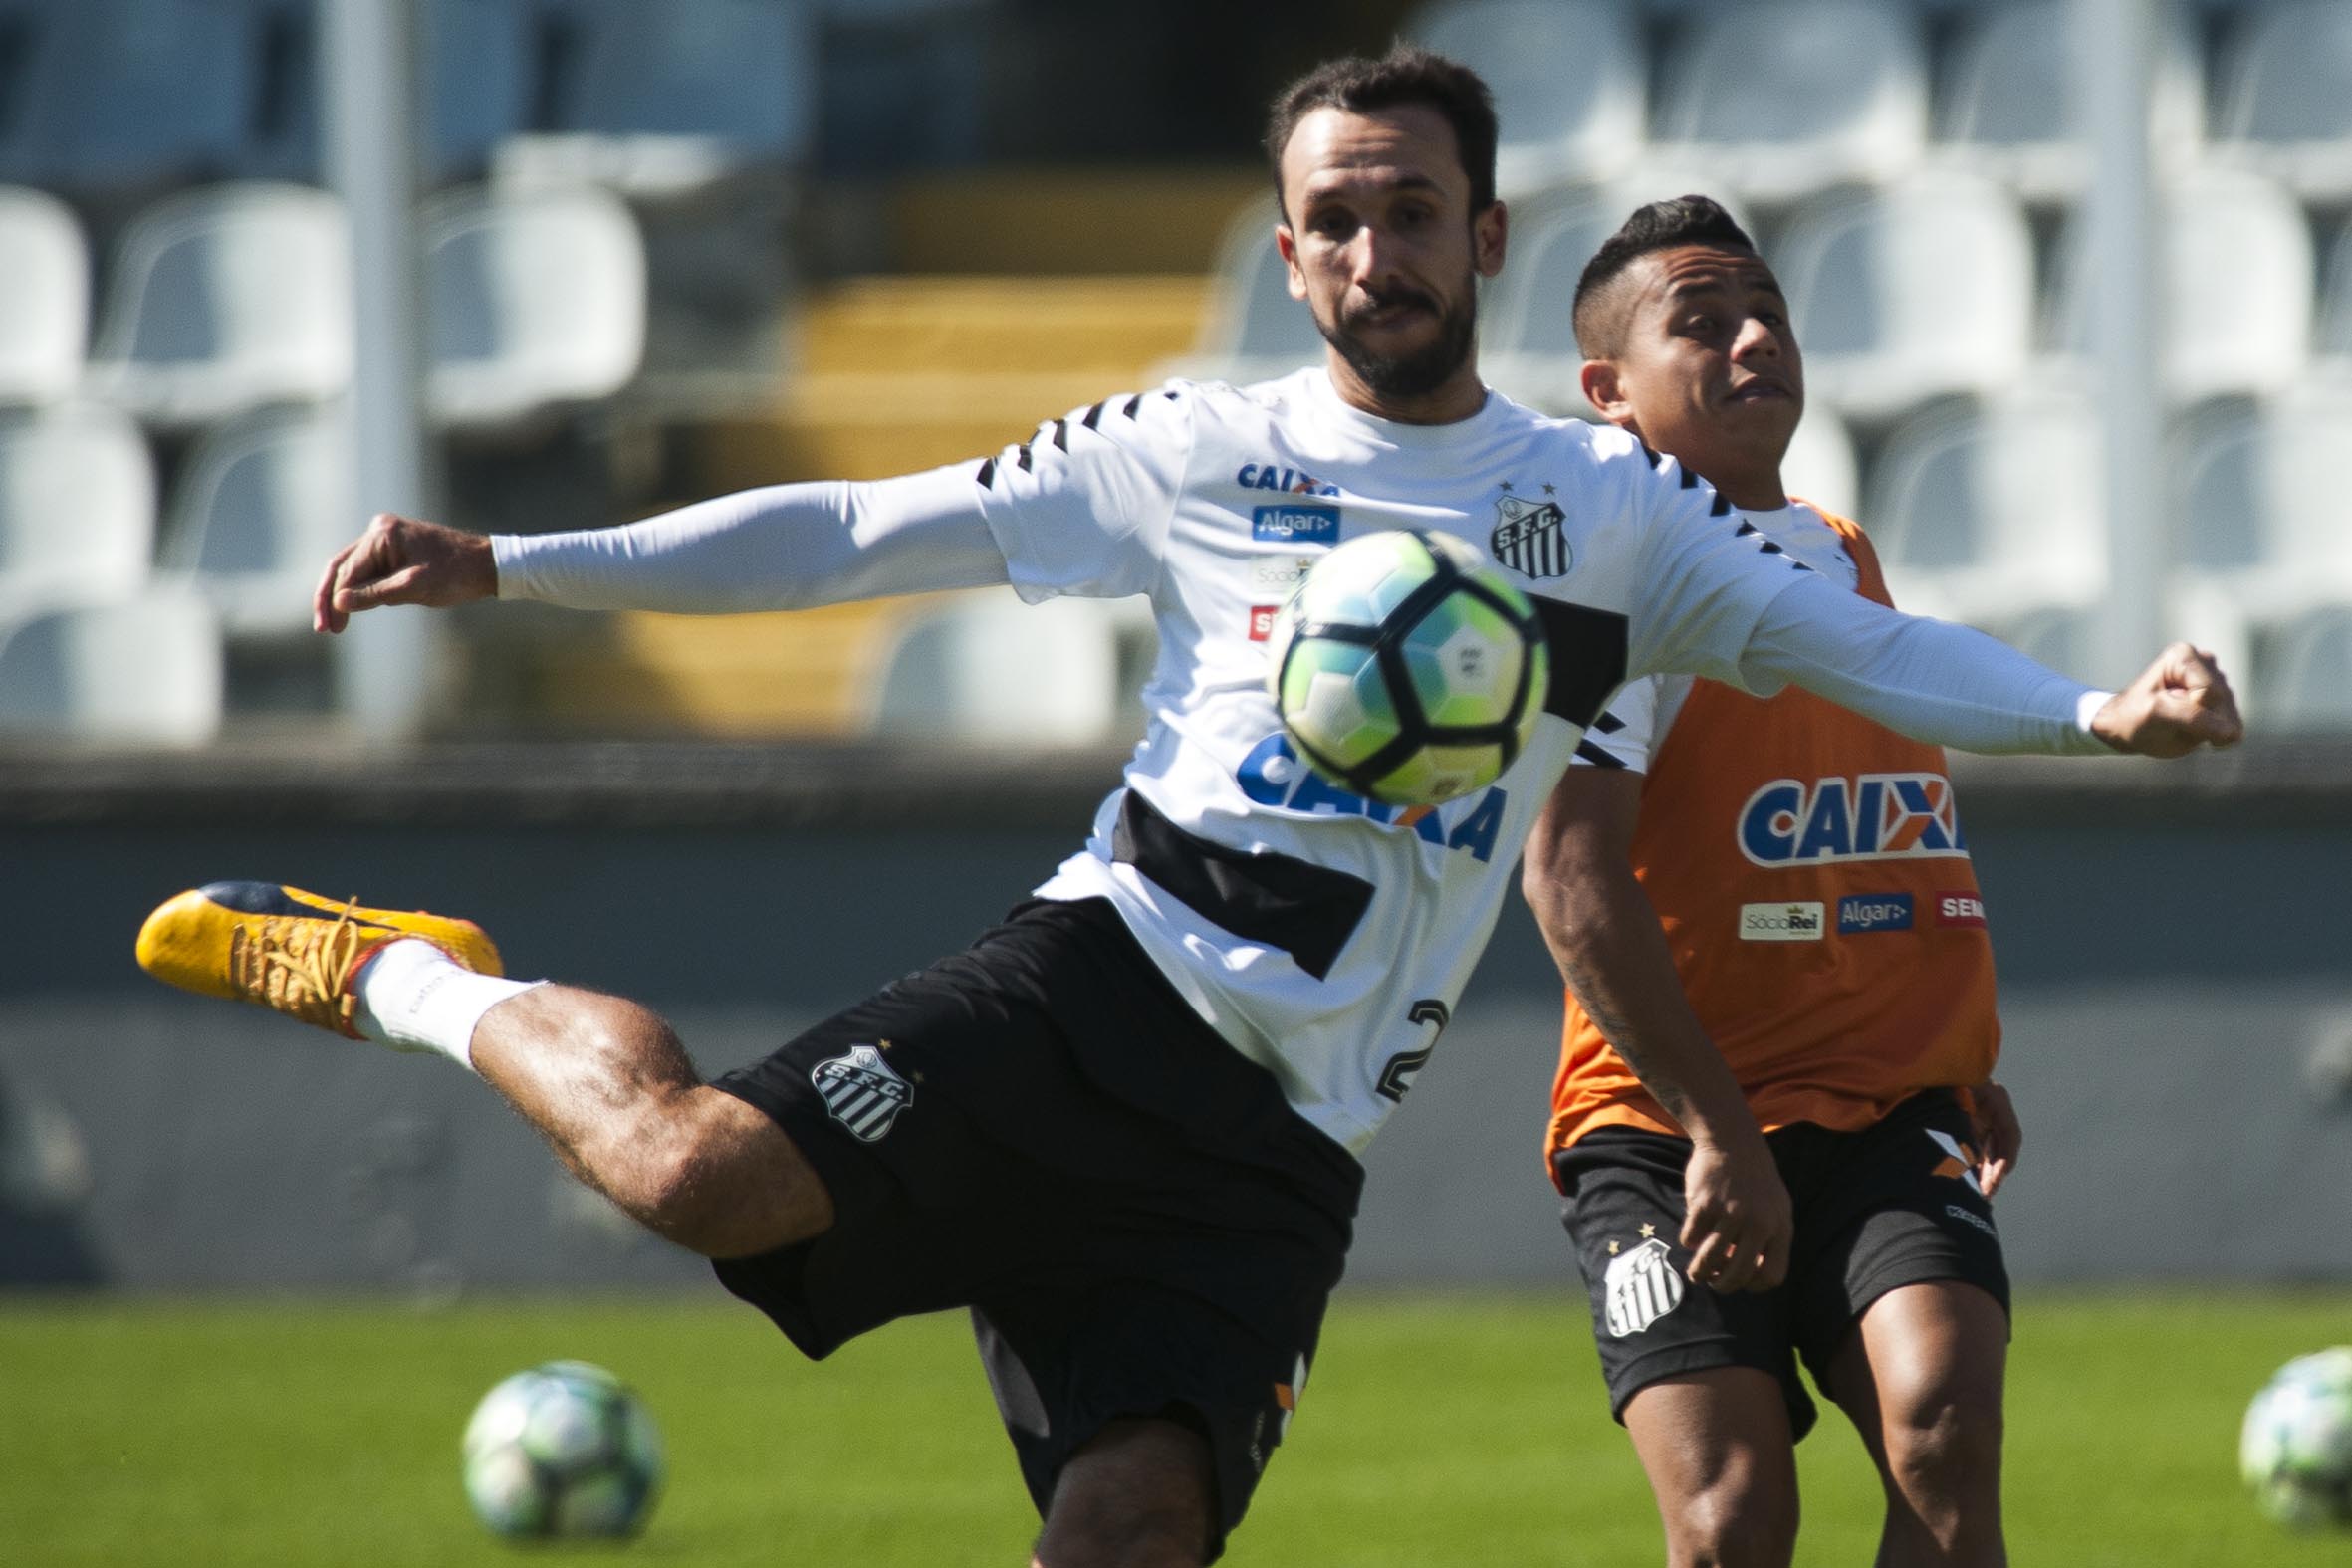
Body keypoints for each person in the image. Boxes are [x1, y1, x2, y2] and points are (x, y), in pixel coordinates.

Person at [133, 48, 2238, 1568]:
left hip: (1283, 1149)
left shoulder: (1602, 511)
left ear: (1481, 235)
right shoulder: (1187, 449)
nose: (1367, 249)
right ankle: (420, 977)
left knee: (1129, 1528)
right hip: (1100, 989)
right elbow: (863, 530)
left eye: (1409, 210)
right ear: (1287, 247)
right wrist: (518, 562)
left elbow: (1864, 647)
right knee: (687, 1171)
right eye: (1329, 216)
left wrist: (2090, 706)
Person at [1525, 195, 2034, 1568]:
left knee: (1940, 1431)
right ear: (1606, 392)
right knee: (1732, 1522)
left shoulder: (1839, 551)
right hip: (1662, 1130)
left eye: (1768, 313)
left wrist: (1947, 1041)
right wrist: (1712, 1135)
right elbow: (1567, 877)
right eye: (1700, 323)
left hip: (1880, 1108)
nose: (1756, 340)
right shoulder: (1609, 593)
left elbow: (1865, 837)